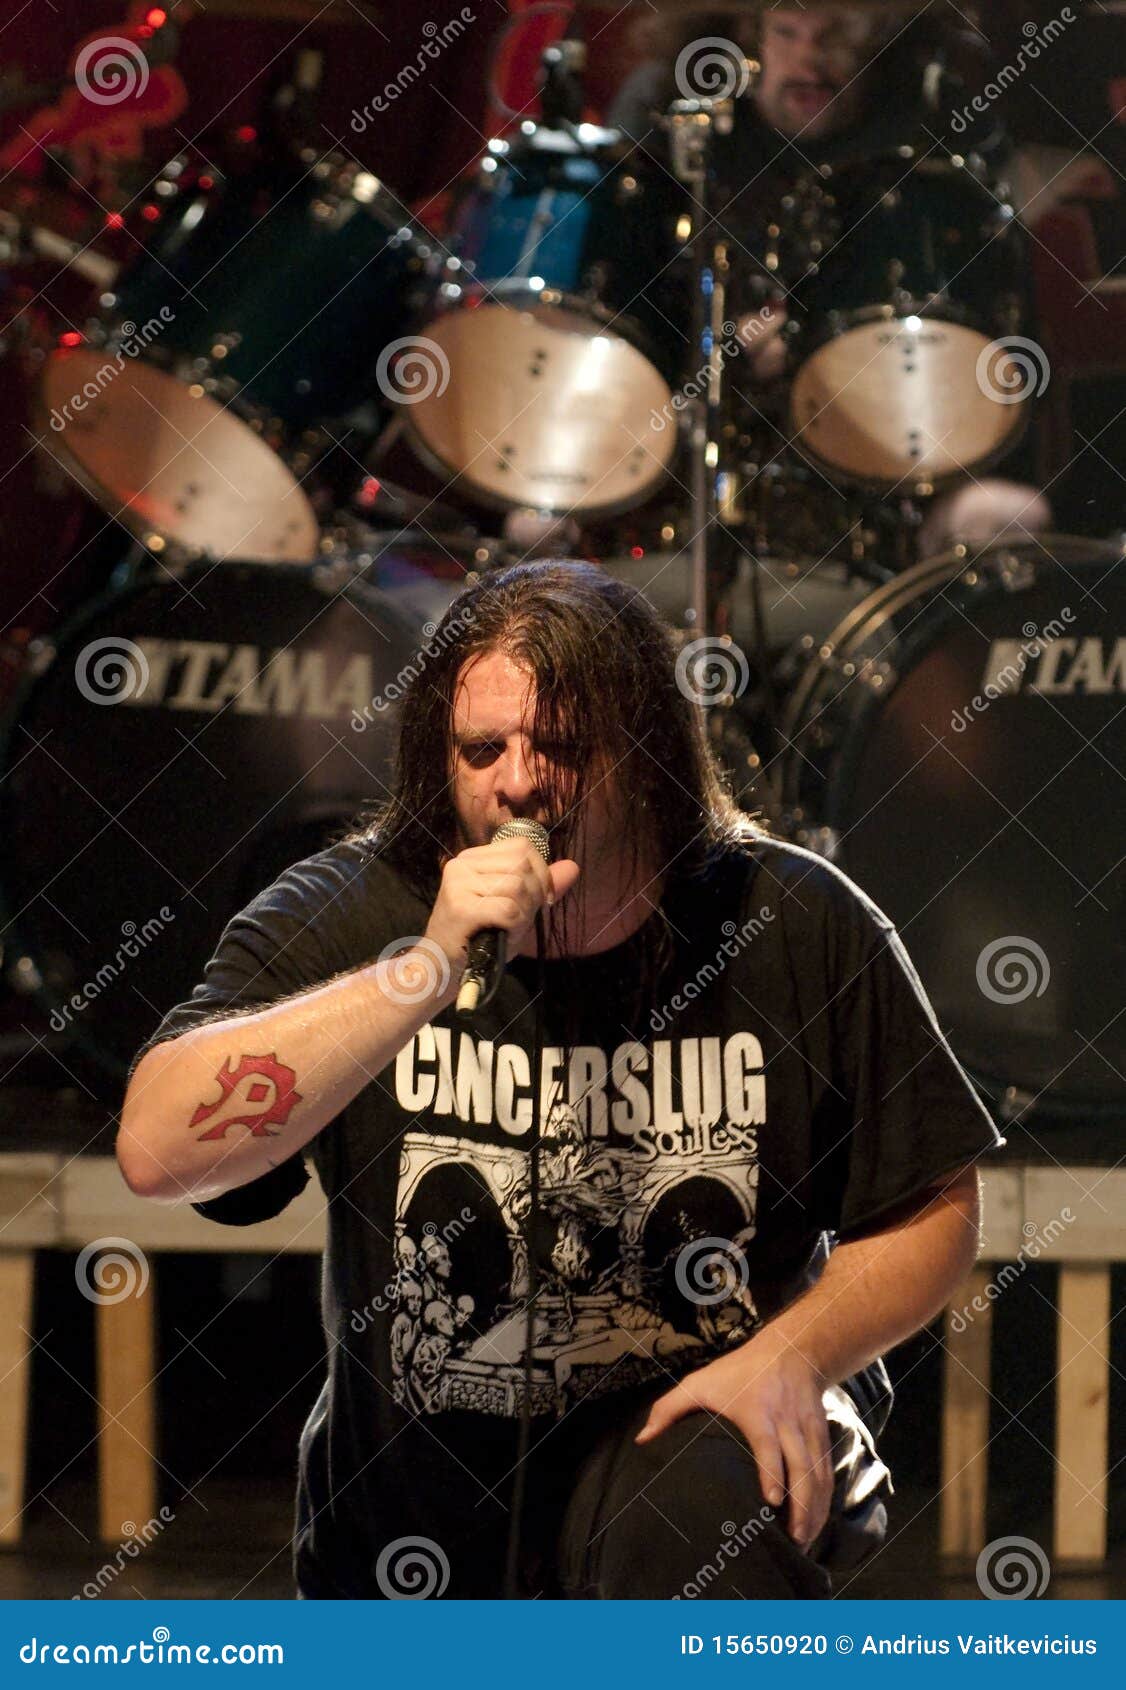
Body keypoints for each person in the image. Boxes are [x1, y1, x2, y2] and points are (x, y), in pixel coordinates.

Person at [118, 558, 1003, 1600]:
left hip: (704, 1477)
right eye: (481, 748)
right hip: (415, 1523)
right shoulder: (353, 913)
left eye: (564, 748)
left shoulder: (792, 918)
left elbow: (931, 1202)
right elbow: (155, 1148)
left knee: (681, 1499)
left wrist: (798, 1354)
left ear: (648, 757)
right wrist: (423, 968)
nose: (519, 780)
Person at [610, 0, 1052, 552]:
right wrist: (725, 352)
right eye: (787, 33)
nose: (809, 60)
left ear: (874, 42)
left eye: (834, 37)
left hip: (892, 469)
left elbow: (977, 321)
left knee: (1006, 517)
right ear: (751, 38)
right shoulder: (677, 120)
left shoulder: (927, 126)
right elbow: (632, 314)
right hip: (702, 473)